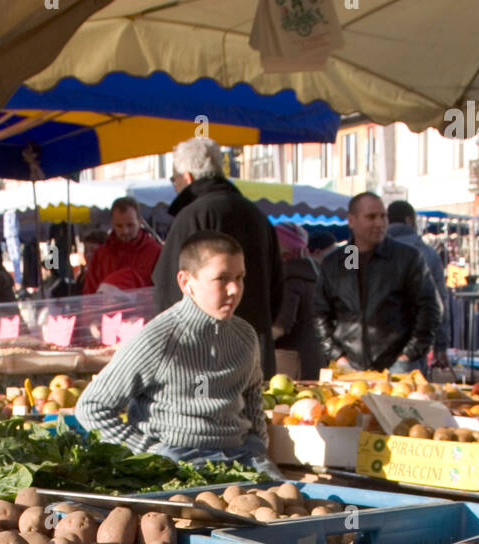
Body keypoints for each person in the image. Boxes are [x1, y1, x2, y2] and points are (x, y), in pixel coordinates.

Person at [75, 231, 269, 468]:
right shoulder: (157, 339)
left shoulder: (246, 336)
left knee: (298, 500)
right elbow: (91, 407)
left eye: (239, 278)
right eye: (222, 279)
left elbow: (252, 395)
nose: (234, 289)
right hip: (179, 458)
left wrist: (258, 443)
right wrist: (151, 454)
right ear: (186, 282)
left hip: (241, 454)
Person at [153, 137, 284, 377]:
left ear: (188, 177)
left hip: (203, 362)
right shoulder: (257, 216)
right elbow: (277, 291)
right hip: (254, 357)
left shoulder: (190, 217)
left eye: (174, 179)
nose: (174, 186)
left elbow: (168, 294)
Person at [313, 191, 441, 373]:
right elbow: (320, 313)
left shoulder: (406, 258)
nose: (379, 223)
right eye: (371, 217)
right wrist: (337, 355)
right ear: (352, 220)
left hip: (397, 366)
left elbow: (430, 308)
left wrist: (408, 355)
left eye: (383, 216)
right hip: (348, 367)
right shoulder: (337, 262)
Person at [385, 200, 449, 369]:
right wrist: (440, 346)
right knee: (409, 393)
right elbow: (439, 303)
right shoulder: (428, 254)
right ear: (409, 220)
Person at [271, 223, 322, 380]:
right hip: (315, 357)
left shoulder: (290, 278)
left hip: (291, 364)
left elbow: (281, 325)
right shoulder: (315, 274)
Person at [83, 198, 162, 294]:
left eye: (130, 225)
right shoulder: (101, 255)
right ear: (112, 223)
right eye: (119, 226)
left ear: (140, 222)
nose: (125, 231)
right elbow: (89, 294)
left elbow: (164, 291)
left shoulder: (156, 252)